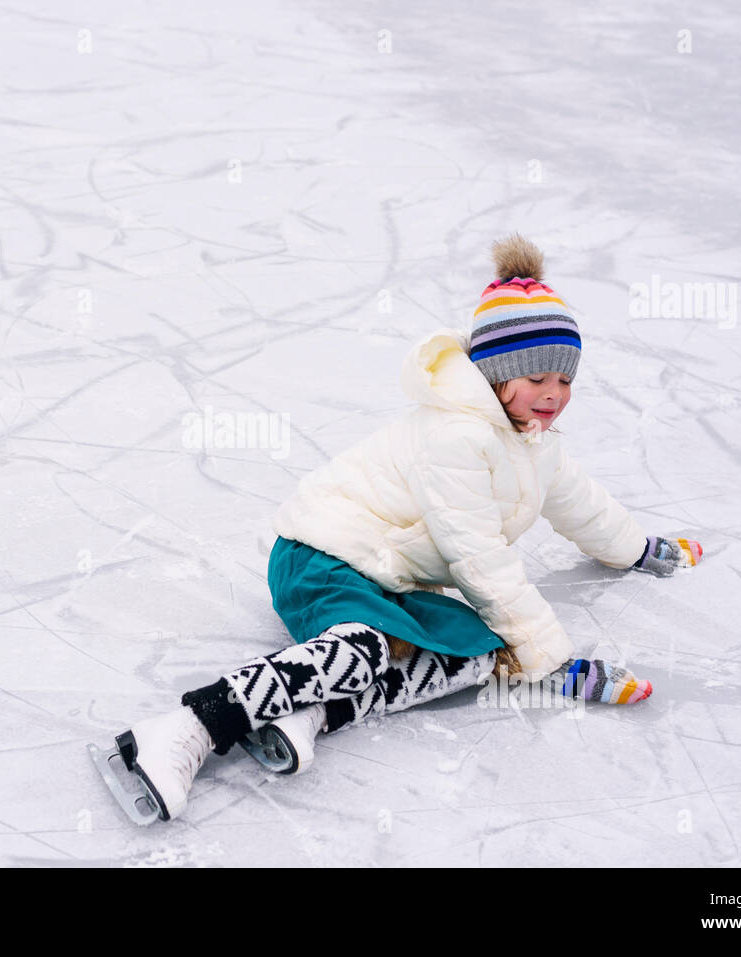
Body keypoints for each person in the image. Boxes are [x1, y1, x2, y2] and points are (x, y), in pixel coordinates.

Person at [109, 234, 704, 822]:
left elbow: (581, 502)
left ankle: (313, 711)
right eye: (536, 378)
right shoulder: (457, 437)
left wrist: (638, 550)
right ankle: (185, 728)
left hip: (386, 573)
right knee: (365, 651)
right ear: (497, 374)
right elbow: (477, 555)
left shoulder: (529, 438)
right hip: (321, 555)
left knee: (479, 654)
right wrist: (552, 660)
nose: (553, 395)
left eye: (565, 380)